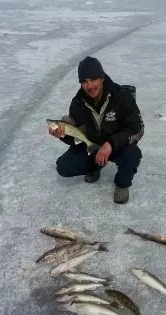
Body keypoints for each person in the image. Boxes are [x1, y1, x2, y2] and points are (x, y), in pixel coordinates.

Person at [48, 56, 144, 204]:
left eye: (93, 79)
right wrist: (62, 135)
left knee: (132, 155)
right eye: (84, 81)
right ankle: (95, 165)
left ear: (103, 77)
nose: (89, 86)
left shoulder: (122, 96)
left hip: (117, 146)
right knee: (63, 167)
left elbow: (137, 128)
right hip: (91, 145)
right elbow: (76, 134)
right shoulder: (78, 103)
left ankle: (122, 184)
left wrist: (110, 144)